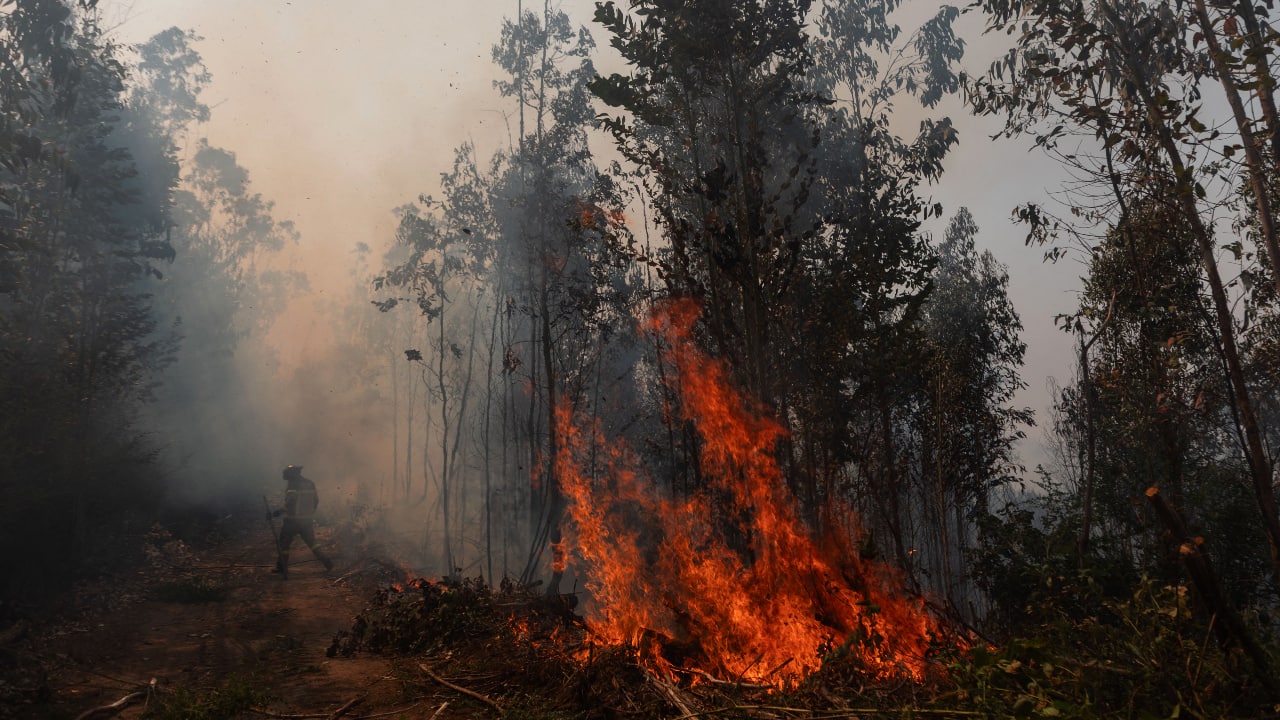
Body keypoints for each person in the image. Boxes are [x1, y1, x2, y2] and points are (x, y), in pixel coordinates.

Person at [268, 464, 333, 578]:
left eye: (287, 473)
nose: (285, 475)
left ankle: (282, 567)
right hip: (306, 520)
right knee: (313, 544)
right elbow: (316, 501)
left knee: (284, 544)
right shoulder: (310, 483)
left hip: (293, 521)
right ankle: (327, 563)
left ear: (293, 474)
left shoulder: (293, 484)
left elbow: (290, 502)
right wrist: (309, 514)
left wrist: (277, 512)